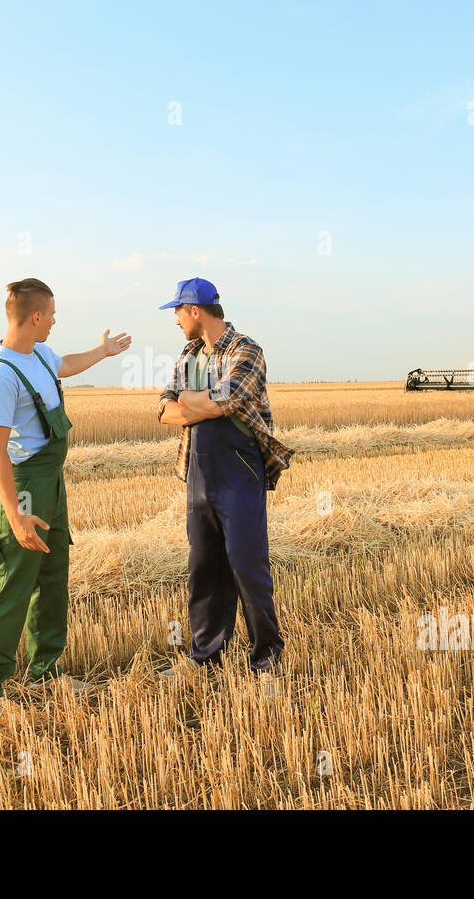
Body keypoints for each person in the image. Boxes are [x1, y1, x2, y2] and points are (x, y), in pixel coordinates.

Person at [0, 277, 131, 709]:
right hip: (24, 487)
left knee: (51, 577)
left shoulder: (39, 354)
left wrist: (103, 352)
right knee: (9, 585)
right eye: (53, 314)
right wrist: (16, 514)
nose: (56, 321)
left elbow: (64, 365)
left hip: (52, 483)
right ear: (36, 316)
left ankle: (46, 673)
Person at [156, 277, 292, 680]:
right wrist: (196, 404)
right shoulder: (188, 355)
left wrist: (188, 402)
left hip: (239, 469)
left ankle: (267, 661)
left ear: (195, 311)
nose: (176, 320)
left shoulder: (246, 350)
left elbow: (227, 400)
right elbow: (164, 408)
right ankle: (205, 658)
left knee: (247, 565)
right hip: (197, 471)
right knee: (204, 567)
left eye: (178, 311)